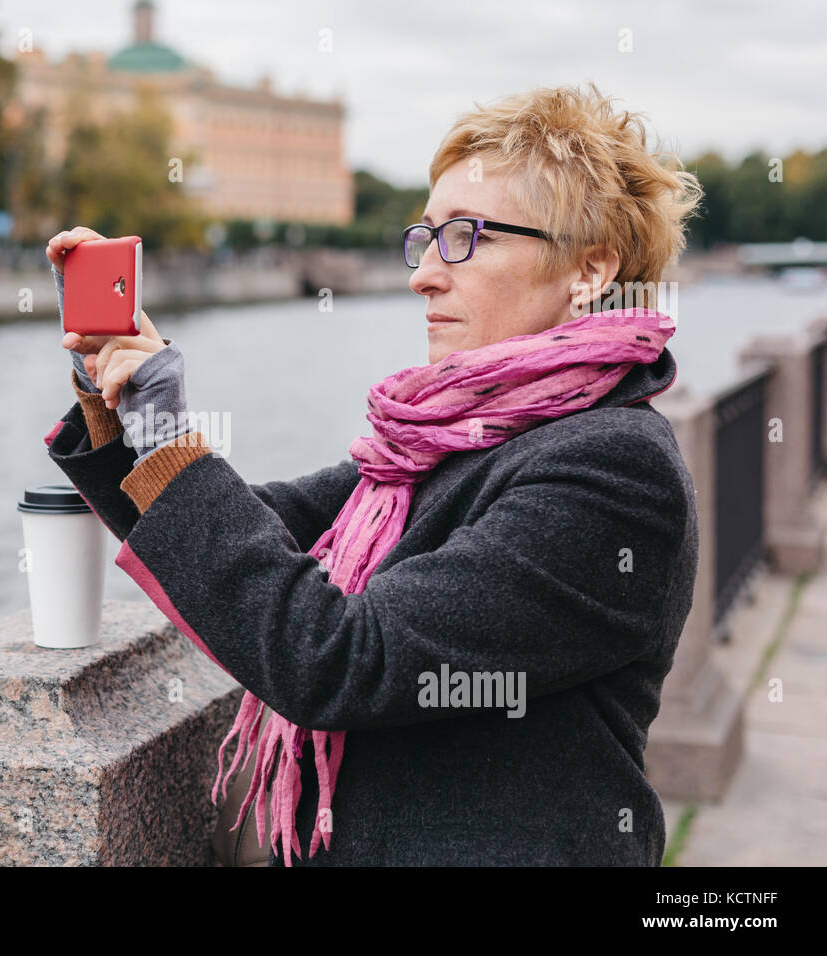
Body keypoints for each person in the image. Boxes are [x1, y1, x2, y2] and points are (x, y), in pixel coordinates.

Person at [41, 81, 703, 867]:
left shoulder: (614, 470)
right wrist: (120, 404)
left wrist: (168, 433)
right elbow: (254, 530)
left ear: (591, 269)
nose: (424, 273)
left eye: (467, 236)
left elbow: (339, 657)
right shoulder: (450, 440)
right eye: (424, 238)